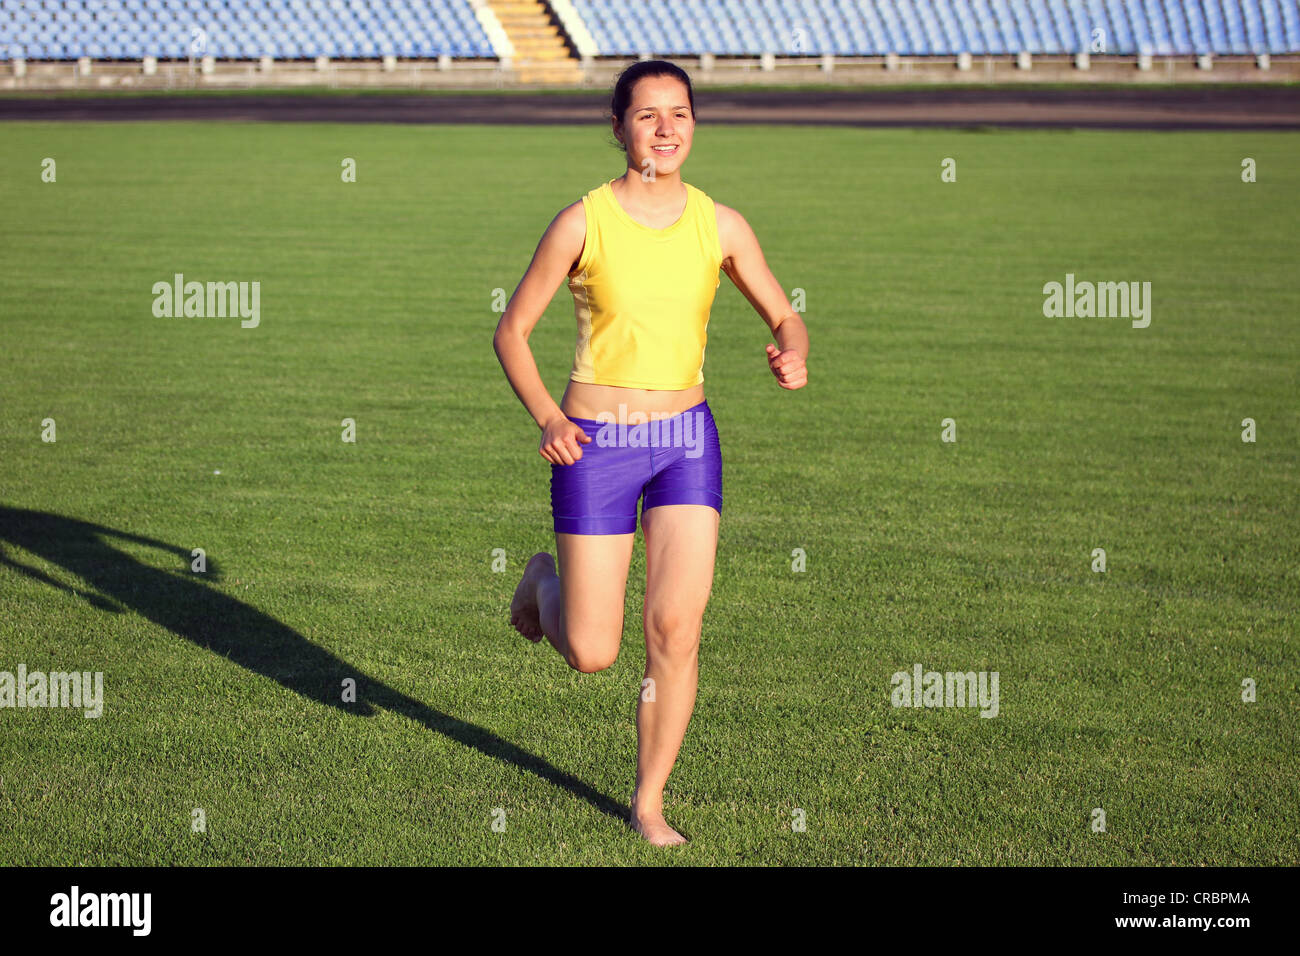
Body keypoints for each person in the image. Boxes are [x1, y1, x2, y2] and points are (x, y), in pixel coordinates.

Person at [492, 59, 809, 846]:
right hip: (595, 445)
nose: (666, 130)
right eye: (647, 116)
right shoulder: (583, 222)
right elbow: (512, 332)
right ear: (617, 126)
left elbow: (785, 312)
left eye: (680, 115)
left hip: (684, 443)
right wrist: (544, 417)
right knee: (595, 653)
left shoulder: (721, 224)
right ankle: (543, 581)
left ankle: (649, 803)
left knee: (675, 629)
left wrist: (791, 347)